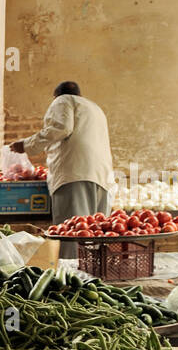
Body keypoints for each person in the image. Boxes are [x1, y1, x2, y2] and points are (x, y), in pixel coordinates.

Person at [10, 81, 113, 259]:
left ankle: (71, 278)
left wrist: (27, 145)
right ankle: (97, 277)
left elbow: (62, 127)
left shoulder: (63, 101)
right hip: (102, 174)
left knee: (72, 231)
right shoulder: (94, 108)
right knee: (96, 232)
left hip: (74, 173)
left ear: (56, 96)